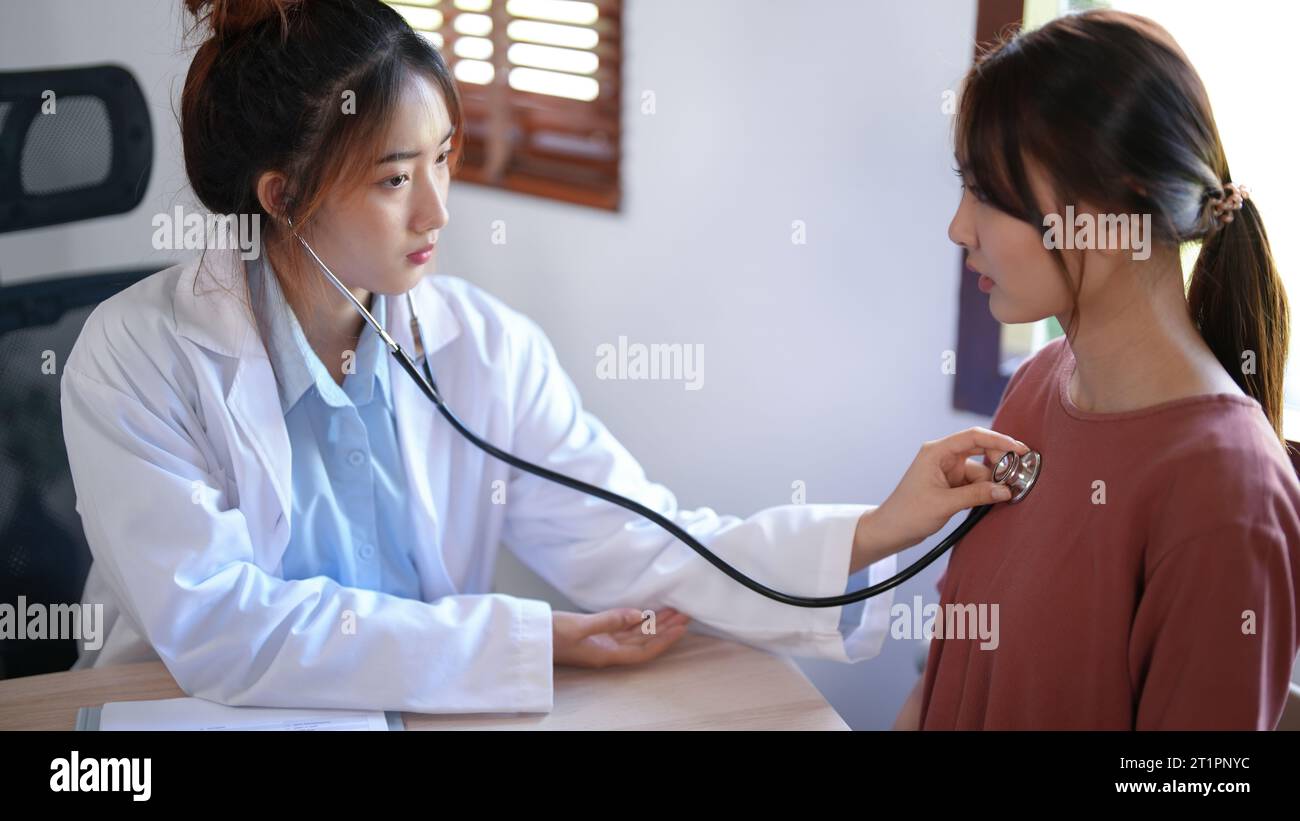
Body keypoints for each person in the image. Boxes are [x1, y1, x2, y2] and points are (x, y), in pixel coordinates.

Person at [59, 0, 1026, 713]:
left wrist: (871, 531)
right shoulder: (138, 360)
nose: (439, 210)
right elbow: (225, 628)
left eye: (445, 160)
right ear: (281, 195)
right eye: (396, 177)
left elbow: (639, 541)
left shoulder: (482, 347)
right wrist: (527, 637)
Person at [895, 9, 1300, 730]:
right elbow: (941, 684)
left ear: (1113, 210)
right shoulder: (1037, 383)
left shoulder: (1227, 488)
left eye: (986, 192)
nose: (959, 228)